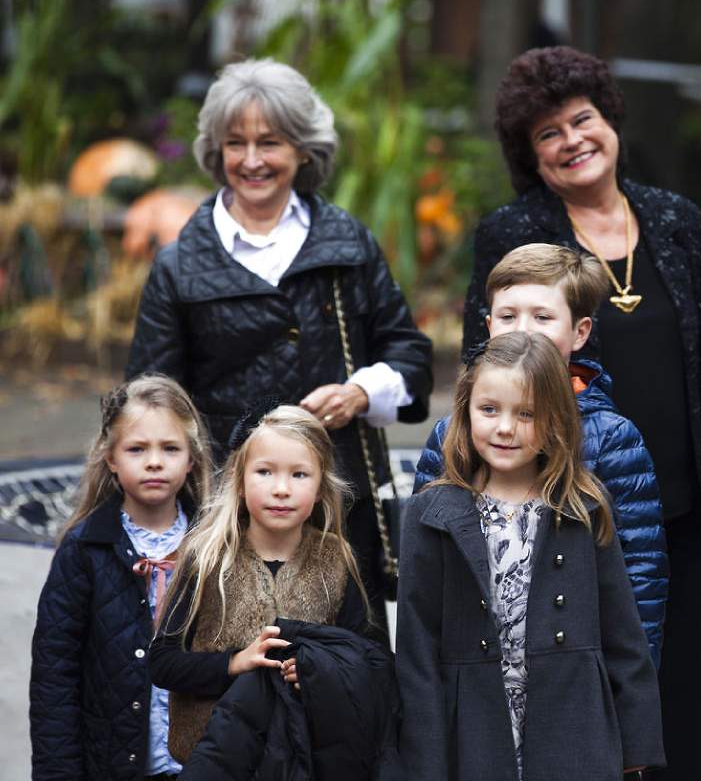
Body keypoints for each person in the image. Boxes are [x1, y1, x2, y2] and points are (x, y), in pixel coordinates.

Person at [464, 45, 701, 778]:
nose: (572, 140)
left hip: (681, 509)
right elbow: (491, 371)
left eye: (582, 120)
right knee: (593, 703)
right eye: (548, 134)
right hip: (568, 510)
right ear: (529, 154)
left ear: (610, 120)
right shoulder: (512, 234)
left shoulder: (672, 219)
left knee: (698, 680)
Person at [126, 58, 433, 638]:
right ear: (215, 152)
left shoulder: (348, 243)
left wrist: (362, 391)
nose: (251, 160)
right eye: (234, 142)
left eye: (270, 141)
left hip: (339, 513)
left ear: (303, 149)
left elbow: (411, 357)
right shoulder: (178, 265)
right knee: (232, 692)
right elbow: (149, 402)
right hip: (227, 519)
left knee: (345, 685)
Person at [397, 331, 664, 780]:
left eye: (527, 414)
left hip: (573, 727)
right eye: (489, 410)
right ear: (465, 409)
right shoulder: (430, 513)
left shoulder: (583, 508)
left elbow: (624, 635)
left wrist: (636, 743)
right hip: (470, 733)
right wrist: (424, 759)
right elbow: (416, 653)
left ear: (556, 419)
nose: (505, 427)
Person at [416, 242, 668, 665]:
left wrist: (630, 681)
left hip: (575, 667)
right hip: (473, 665)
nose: (523, 330)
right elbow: (424, 568)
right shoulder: (453, 433)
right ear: (488, 324)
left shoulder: (611, 437)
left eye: (543, 317)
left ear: (580, 332)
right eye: (508, 316)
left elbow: (640, 570)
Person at [149, 404, 376, 764]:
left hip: (305, 760)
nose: (281, 489)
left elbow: (362, 660)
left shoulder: (335, 559)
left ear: (320, 486)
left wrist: (318, 674)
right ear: (239, 482)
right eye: (265, 472)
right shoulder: (207, 557)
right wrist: (234, 663)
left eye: (299, 474)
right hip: (215, 761)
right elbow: (162, 663)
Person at [30, 374, 213, 780]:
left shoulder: (215, 544)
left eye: (170, 448)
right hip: (113, 764)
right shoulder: (85, 549)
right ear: (111, 458)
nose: (153, 461)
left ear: (192, 458)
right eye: (136, 448)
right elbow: (54, 676)